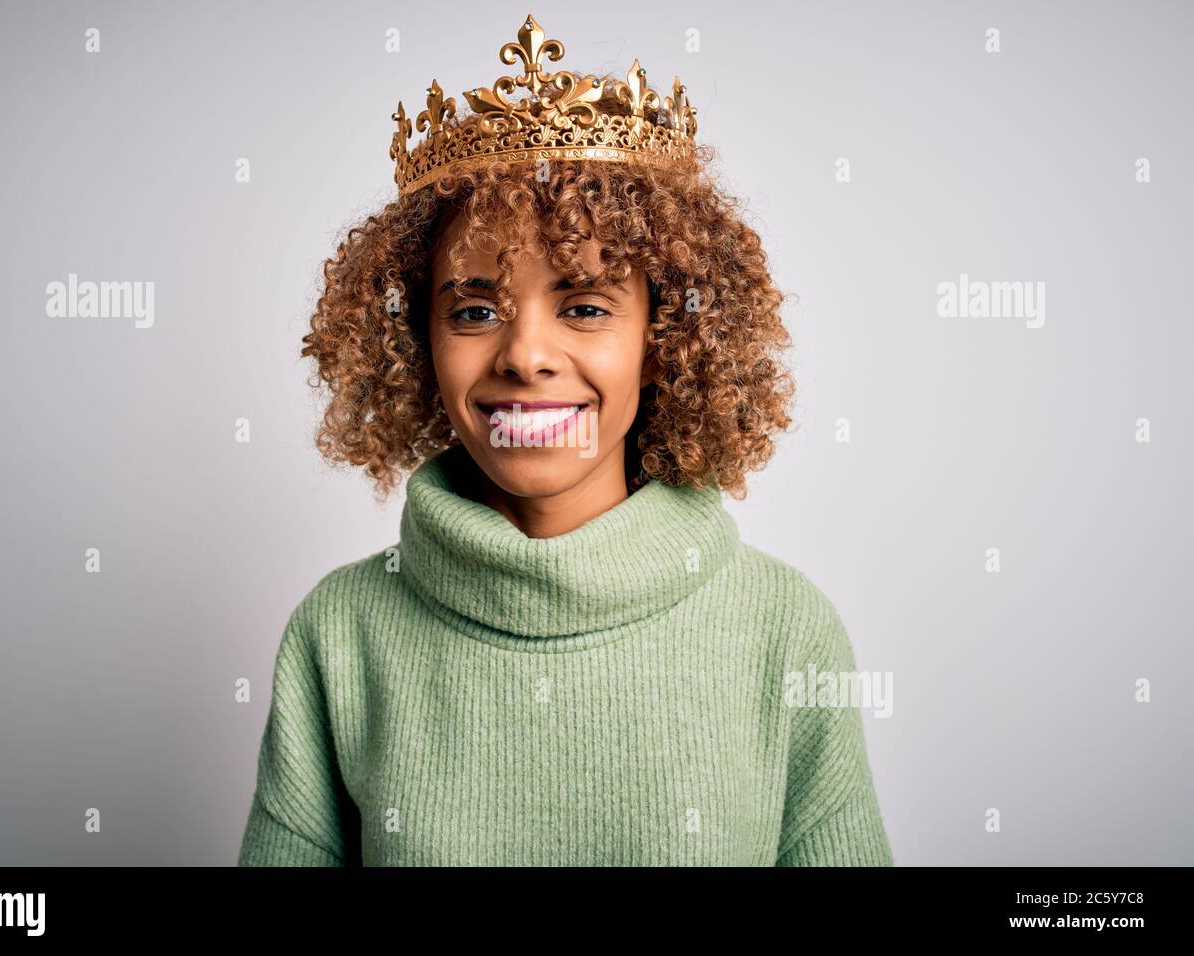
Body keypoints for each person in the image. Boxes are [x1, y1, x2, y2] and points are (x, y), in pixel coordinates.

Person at [237, 13, 893, 866]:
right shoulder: (339, 637)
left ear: (664, 342)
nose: (524, 355)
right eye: (474, 310)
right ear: (415, 346)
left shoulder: (785, 632)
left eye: (584, 306)